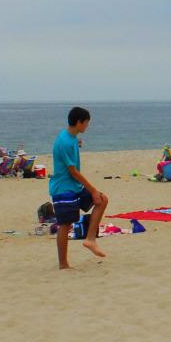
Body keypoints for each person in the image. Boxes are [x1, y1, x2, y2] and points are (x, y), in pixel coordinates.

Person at [50, 106, 109, 269]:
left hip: (74, 186)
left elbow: (72, 142)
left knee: (102, 200)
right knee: (65, 224)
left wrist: (78, 143)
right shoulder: (64, 142)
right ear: (78, 122)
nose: (87, 126)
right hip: (63, 188)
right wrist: (92, 189)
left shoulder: (71, 137)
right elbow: (73, 171)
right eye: (86, 123)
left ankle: (90, 239)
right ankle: (63, 264)